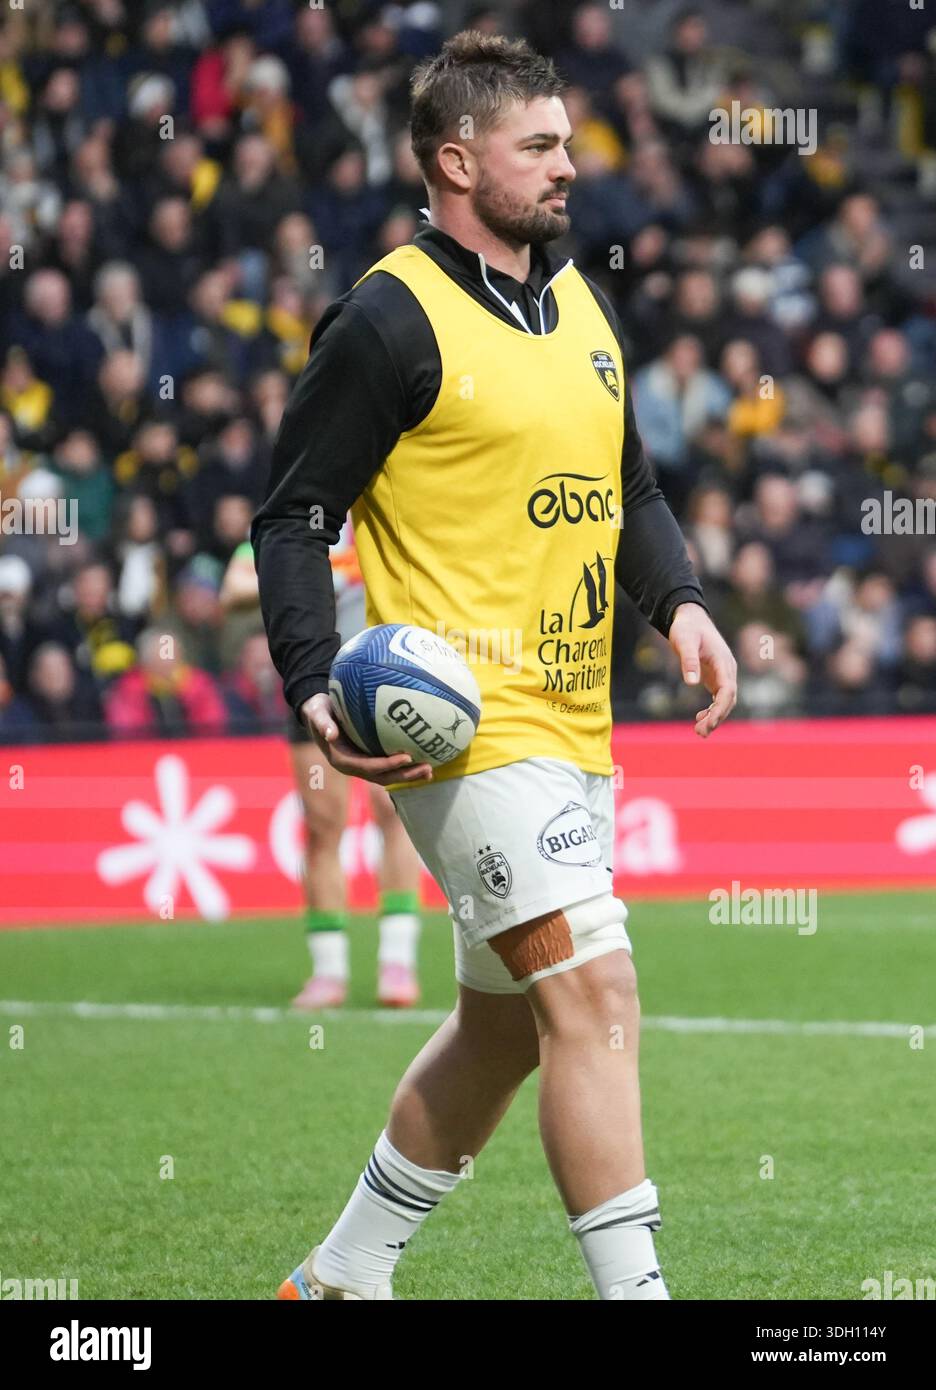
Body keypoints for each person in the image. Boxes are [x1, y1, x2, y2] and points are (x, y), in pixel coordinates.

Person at [253, 32, 736, 1302]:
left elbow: (626, 484)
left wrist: (678, 602)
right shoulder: (386, 316)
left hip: (577, 724)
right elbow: (292, 515)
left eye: (567, 141)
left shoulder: (579, 297)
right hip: (464, 730)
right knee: (598, 992)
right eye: (542, 147)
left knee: (504, 1027)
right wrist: (312, 682)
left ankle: (342, 1276)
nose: (570, 167)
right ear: (458, 161)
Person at [220, 531, 423, 1008]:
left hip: (384, 684)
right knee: (322, 825)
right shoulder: (296, 522)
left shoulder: (385, 514)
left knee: (393, 812)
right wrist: (313, 579)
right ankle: (329, 971)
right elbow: (232, 591)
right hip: (313, 684)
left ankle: (397, 963)